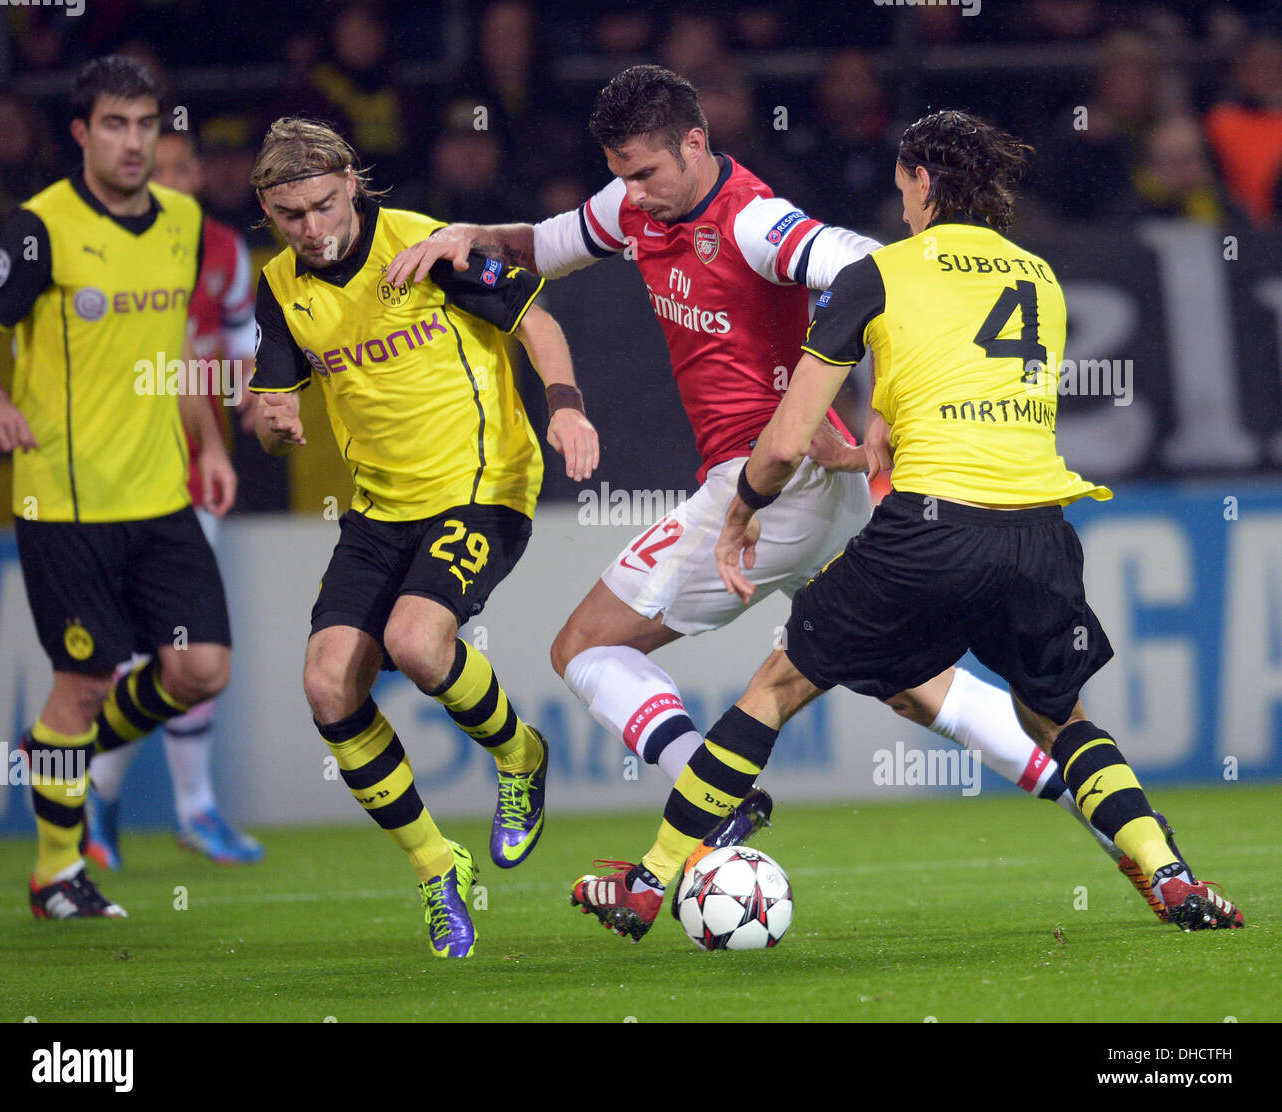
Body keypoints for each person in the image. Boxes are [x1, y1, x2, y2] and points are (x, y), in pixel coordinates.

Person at [385, 66, 1163, 943]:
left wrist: (882, 417)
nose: (633, 192)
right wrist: (461, 236)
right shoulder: (633, 208)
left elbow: (872, 268)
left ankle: (709, 804)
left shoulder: (756, 222)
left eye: (646, 172)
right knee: (912, 685)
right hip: (819, 490)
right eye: (621, 174)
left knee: (584, 645)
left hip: (768, 485)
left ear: (695, 142)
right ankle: (1117, 828)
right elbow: (539, 244)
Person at [682, 109, 1244, 935]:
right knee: (1058, 717)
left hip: (935, 527)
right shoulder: (1041, 278)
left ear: (923, 182)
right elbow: (973, 392)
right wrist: (889, 426)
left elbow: (784, 441)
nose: (900, 204)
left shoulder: (880, 272)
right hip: (1041, 531)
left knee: (779, 683)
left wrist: (744, 511)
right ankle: (1169, 872)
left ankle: (654, 874)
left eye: (904, 186)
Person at [247, 117, 598, 958]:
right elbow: (268, 401)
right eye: (290, 214)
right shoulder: (279, 286)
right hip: (379, 507)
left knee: (414, 639)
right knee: (329, 686)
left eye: (324, 204)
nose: (312, 227)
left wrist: (568, 406)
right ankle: (440, 867)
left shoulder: (431, 246)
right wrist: (270, 421)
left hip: (484, 484)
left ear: (352, 185)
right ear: (268, 209)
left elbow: (537, 320)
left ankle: (520, 758)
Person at [0, 56, 236, 919]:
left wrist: (209, 445)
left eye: (149, 125)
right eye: (117, 126)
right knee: (82, 685)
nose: (136, 142)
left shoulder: (184, 219)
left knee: (201, 669)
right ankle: (56, 871)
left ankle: (60, 749)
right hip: (65, 501)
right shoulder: (37, 229)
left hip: (162, 494)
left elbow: (185, 350)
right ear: (83, 133)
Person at [81, 126, 264, 868]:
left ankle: (191, 807)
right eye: (168, 168)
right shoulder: (100, 246)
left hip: (190, 479)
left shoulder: (223, 249)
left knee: (193, 647)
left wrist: (256, 398)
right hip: (107, 476)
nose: (181, 180)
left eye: (189, 168)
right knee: (128, 654)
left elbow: (237, 345)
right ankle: (97, 797)